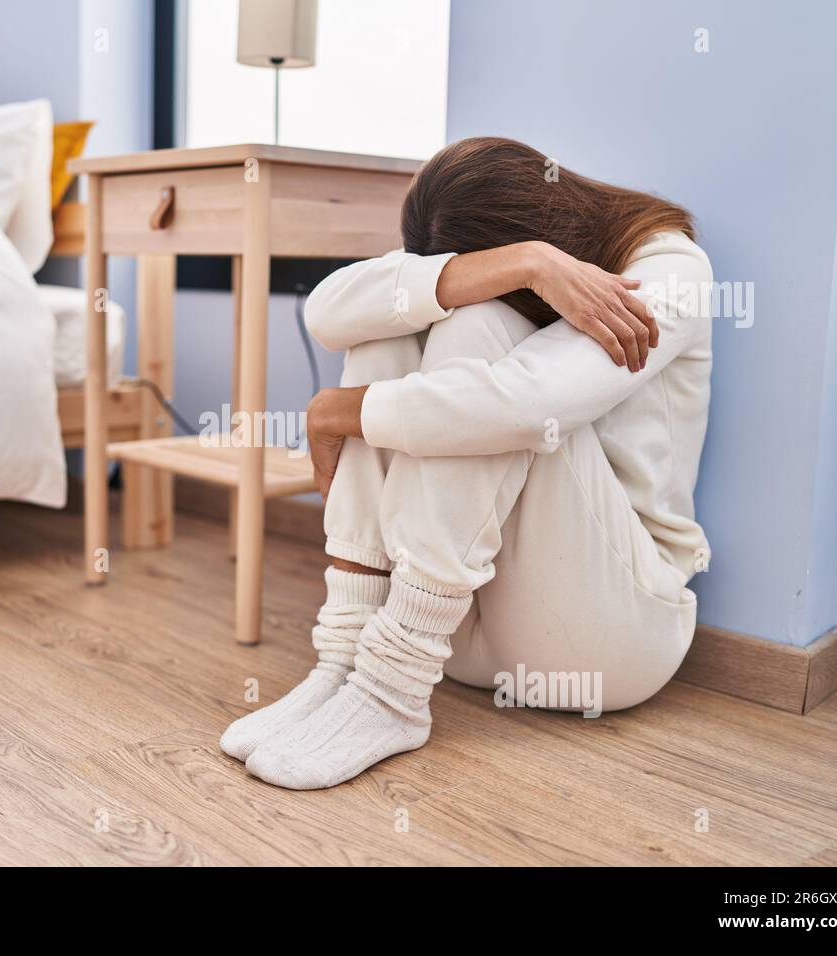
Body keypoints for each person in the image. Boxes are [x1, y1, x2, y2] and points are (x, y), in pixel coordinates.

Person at [221, 136, 713, 790]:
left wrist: (334, 412)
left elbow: (525, 404)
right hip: (459, 639)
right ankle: (345, 659)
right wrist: (526, 263)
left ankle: (390, 690)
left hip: (610, 639)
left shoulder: (672, 268)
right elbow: (330, 310)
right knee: (389, 323)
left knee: (477, 338)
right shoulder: (520, 250)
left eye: (529, 253)